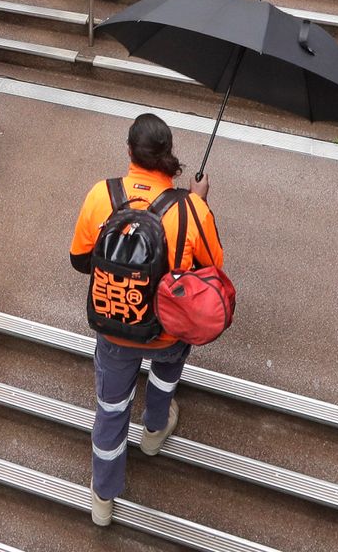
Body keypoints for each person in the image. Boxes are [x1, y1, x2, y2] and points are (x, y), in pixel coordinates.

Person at [68, 114, 224, 528]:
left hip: (115, 326)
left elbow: (80, 260)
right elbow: (212, 270)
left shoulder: (102, 195)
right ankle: (155, 431)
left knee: (111, 408)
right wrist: (200, 203)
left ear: (129, 152)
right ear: (168, 156)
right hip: (169, 331)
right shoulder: (190, 210)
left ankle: (103, 496)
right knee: (166, 372)